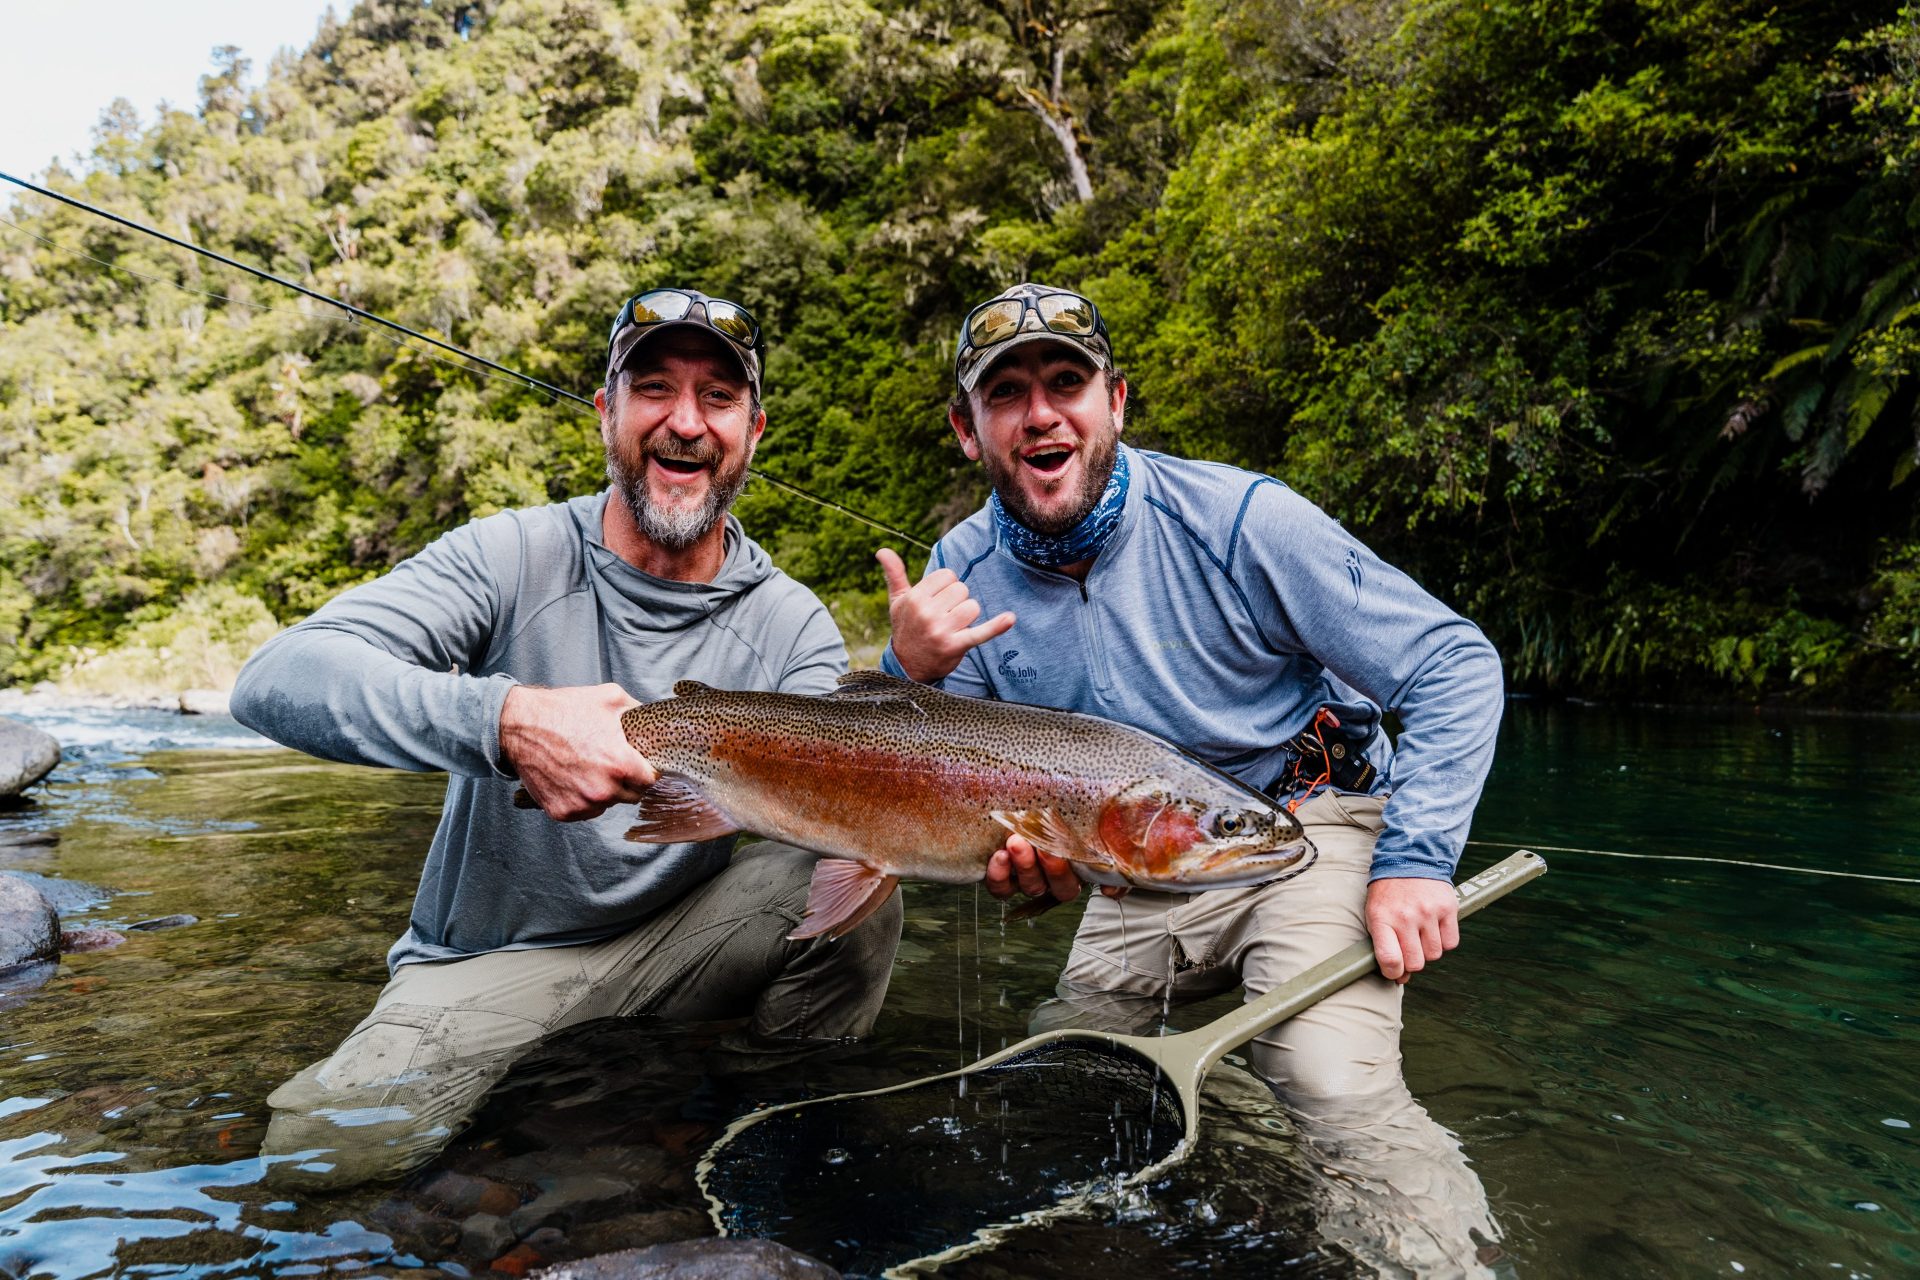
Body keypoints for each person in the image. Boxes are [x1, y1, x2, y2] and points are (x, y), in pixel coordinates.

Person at [877, 283, 1510, 1274]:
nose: (1041, 411)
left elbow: (1454, 664)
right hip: (1134, 865)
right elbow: (917, 762)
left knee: (1327, 1079)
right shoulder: (954, 575)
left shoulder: (1245, 520)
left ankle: (1439, 1265)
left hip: (1303, 822)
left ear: (1115, 401)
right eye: (1007, 392)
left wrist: (1418, 860)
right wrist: (905, 673)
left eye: (1067, 382)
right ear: (969, 429)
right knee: (1068, 1074)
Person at [232, 288, 901, 1188]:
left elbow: (859, 791)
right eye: (654, 387)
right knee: (320, 1157)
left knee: (854, 890)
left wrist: (941, 735)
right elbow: (278, 678)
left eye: (718, 397)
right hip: (486, 964)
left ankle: (761, 1121)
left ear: (754, 429)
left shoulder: (791, 625)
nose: (685, 423)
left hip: (681, 943)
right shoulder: (509, 556)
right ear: (606, 414)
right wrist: (504, 720)